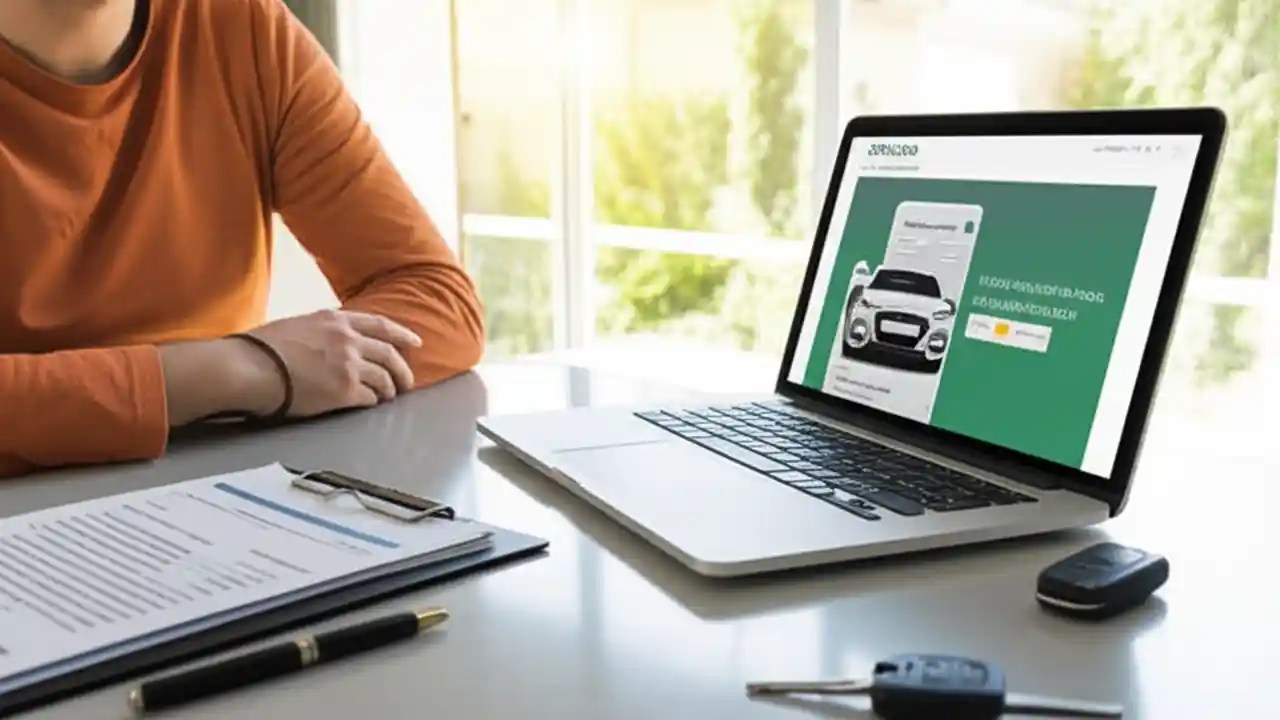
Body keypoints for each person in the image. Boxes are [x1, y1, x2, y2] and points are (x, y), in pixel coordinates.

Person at [0, 0, 485, 478]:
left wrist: (251, 374)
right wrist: (237, 371)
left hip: (220, 498)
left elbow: (437, 298)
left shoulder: (243, 29)